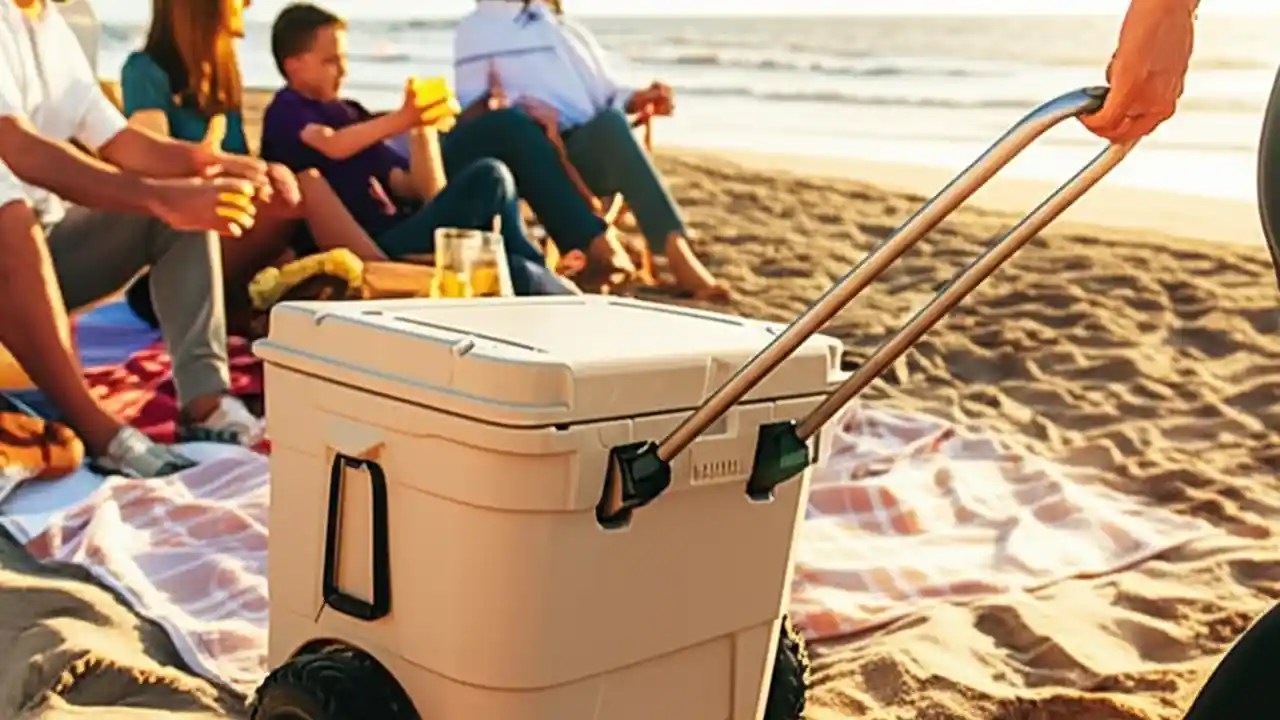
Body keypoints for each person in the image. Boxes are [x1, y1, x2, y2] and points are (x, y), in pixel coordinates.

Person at [0, 0, 299, 474]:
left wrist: (212, 167)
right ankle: (98, 430)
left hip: (43, 249)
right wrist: (160, 196)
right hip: (8, 240)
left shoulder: (49, 25)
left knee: (187, 206)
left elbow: (120, 141)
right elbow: (16, 149)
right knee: (9, 215)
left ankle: (205, 403)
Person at [119, 0, 401, 328]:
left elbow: (242, 158)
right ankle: (381, 278)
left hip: (230, 219)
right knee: (303, 187)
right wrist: (217, 164)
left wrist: (262, 169)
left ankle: (348, 281)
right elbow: (150, 162)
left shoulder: (222, 71)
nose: (249, 4)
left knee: (291, 189)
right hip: (185, 228)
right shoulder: (145, 70)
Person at [260, 2, 574, 297]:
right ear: (294, 66)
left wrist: (420, 128)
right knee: (490, 177)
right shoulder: (289, 109)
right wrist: (401, 118)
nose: (343, 70)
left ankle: (550, 285)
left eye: (343, 58)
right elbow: (332, 145)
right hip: (374, 248)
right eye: (330, 60)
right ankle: (554, 287)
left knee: (506, 240)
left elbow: (419, 188)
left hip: (403, 230)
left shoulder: (351, 113)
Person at [452, 0, 730, 302]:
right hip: (531, 152)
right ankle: (600, 249)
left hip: (580, 147)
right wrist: (507, 106)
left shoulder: (564, 27)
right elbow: (471, 116)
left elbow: (606, 96)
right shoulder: (478, 28)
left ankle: (676, 250)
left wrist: (640, 98)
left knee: (610, 123)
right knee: (552, 129)